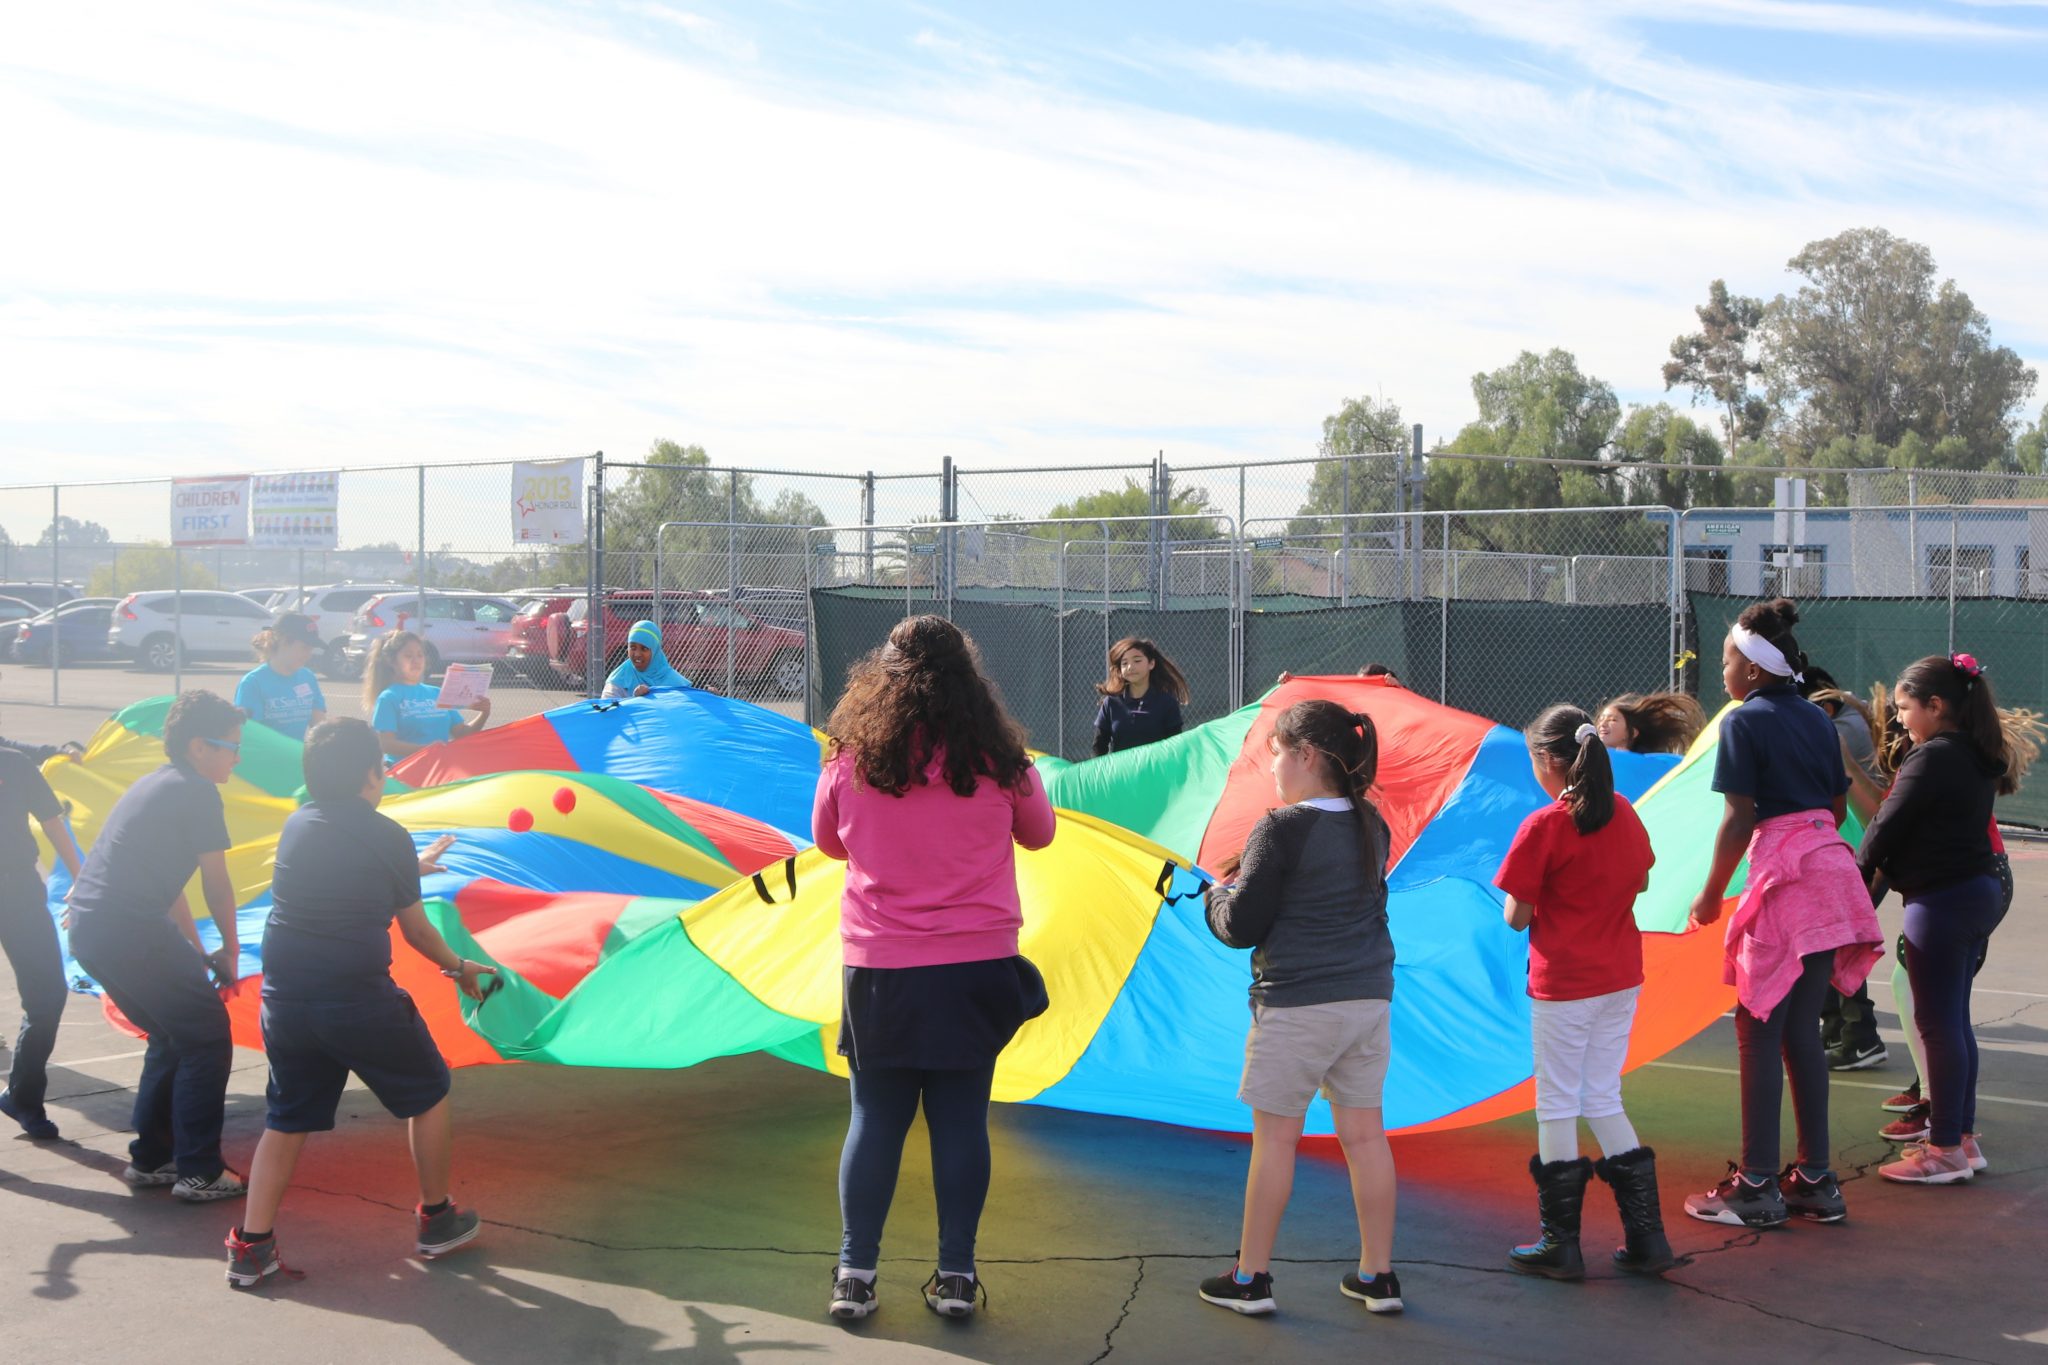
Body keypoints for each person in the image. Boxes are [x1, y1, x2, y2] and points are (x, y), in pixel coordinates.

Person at [812, 615, 1055, 1322]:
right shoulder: (1001, 761)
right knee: (961, 1122)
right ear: (968, 679)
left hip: (881, 968)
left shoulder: (851, 762)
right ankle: (956, 1276)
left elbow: (828, 843)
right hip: (976, 966)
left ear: (880, 679)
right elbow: (1040, 834)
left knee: (875, 1118)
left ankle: (855, 1274)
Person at [225, 718, 495, 1288]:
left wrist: (406, 870)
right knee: (429, 1090)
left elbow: (340, 872)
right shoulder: (386, 834)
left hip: (287, 1003)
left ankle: (251, 1245)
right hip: (356, 1000)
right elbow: (416, 931)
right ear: (372, 776)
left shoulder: (298, 824)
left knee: (287, 1119)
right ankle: (437, 1217)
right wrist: (458, 966)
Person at [1200, 700, 1403, 1318]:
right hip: (1368, 1000)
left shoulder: (1281, 828)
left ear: (1307, 756)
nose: (1273, 769)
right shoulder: (1370, 823)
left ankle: (1251, 1278)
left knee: (1275, 1142)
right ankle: (1378, 1276)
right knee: (1365, 1138)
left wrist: (1216, 897)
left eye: (1278, 755)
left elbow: (1241, 926)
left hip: (1296, 1005)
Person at [1681, 599, 1880, 1229]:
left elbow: (1739, 819)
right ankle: (1817, 1180)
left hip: (1786, 877)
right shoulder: (1819, 719)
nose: (1722, 672)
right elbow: (1834, 805)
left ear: (1753, 669)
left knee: (1758, 1025)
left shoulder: (1744, 721)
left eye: (1727, 661)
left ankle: (1756, 1185)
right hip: (1830, 872)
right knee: (1801, 1032)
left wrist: (1710, 892)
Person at [1495, 705, 1667, 1280]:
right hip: (1619, 976)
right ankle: (1647, 1237)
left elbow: (1516, 917)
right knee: (1602, 1096)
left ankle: (1560, 1243)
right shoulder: (1623, 813)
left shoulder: (1544, 826)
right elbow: (1641, 879)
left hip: (1565, 982)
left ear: (1547, 761)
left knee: (1557, 1102)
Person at [64, 690, 249, 1202]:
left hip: (94, 931)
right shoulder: (197, 792)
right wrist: (230, 950)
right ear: (198, 747)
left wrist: (197, 950)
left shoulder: (156, 784)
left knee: (172, 1035)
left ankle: (152, 1159)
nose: (237, 758)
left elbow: (169, 891)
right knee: (206, 1038)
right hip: (128, 929)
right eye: (231, 747)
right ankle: (199, 1172)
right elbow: (216, 883)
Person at [1858, 655, 2014, 1186]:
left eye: (1904, 708)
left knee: (1938, 1024)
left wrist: (1852, 891)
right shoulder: (1974, 752)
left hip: (1943, 902)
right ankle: (1960, 1139)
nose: (1899, 719)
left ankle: (1945, 1149)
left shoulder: (1932, 757)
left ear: (1936, 705)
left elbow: (1883, 828)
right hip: (1975, 893)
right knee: (1953, 1022)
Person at [0, 687, 85, 1140]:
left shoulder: (14, 765)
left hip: (17, 892)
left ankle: (23, 1096)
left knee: (48, 995)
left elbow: (55, 823)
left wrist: (81, 879)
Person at [1801, 666, 1889, 1071]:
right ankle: (1838, 1027)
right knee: (1826, 938)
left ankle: (1859, 1035)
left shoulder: (1840, 730)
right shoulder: (1843, 721)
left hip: (1858, 854)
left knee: (1836, 939)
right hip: (1853, 852)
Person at [364, 631, 491, 764]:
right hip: (407, 771)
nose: (416, 661)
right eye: (408, 656)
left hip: (440, 769)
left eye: (420, 655)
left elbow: (462, 733)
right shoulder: (389, 697)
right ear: (392, 661)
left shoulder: (437, 693)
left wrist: (484, 714)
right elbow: (386, 744)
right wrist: (426, 750)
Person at [233, 613, 329, 743]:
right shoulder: (253, 682)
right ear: (284, 641)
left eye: (311, 649)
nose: (309, 655)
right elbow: (251, 736)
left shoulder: (307, 677)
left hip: (298, 754)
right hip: (268, 755)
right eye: (305, 648)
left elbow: (320, 727)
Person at [1092, 637, 1188, 756]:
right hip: (1123, 768)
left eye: (1137, 661)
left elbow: (1175, 746)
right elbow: (1098, 747)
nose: (1130, 667)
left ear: (1151, 664)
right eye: (1124, 663)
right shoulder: (1111, 703)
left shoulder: (1167, 702)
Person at [601, 619, 692, 699]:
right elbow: (607, 709)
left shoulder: (677, 685)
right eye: (633, 647)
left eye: (644, 648)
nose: (637, 654)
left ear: (655, 650)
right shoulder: (618, 680)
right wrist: (634, 701)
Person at [1593, 693, 1707, 755]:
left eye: (1612, 720)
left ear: (1632, 733)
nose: (1603, 724)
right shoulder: (1590, 756)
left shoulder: (1645, 761)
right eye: (1601, 719)